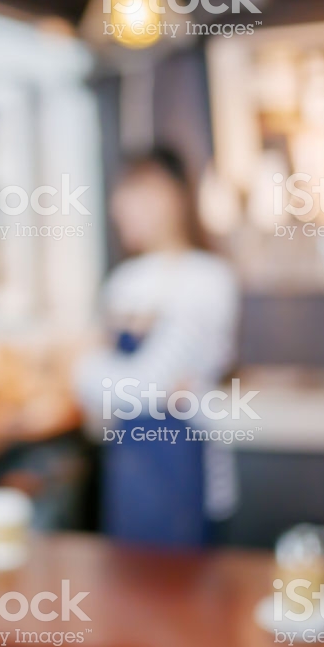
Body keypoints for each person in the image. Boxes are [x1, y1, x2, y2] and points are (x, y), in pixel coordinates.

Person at [74, 147, 241, 547]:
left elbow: (146, 380)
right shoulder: (123, 282)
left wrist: (101, 374)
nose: (117, 208)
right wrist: (136, 387)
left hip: (187, 470)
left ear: (169, 196)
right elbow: (94, 392)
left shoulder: (209, 279)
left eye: (131, 193)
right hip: (128, 470)